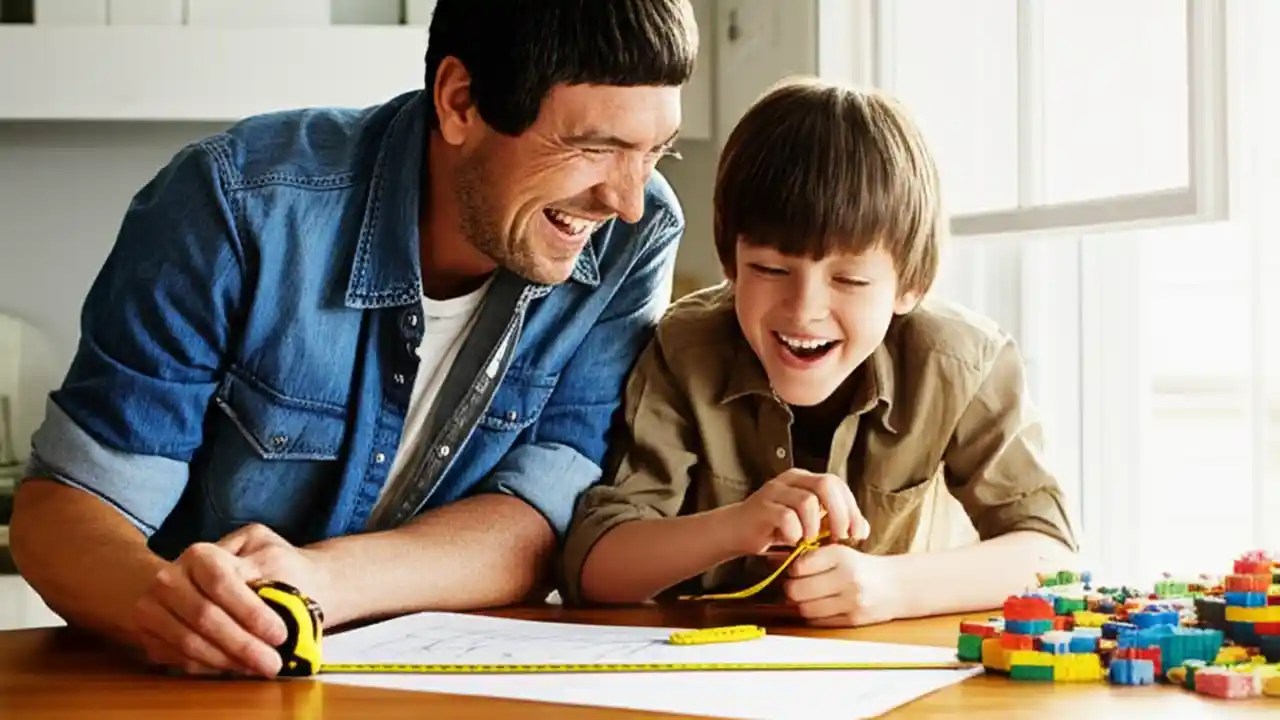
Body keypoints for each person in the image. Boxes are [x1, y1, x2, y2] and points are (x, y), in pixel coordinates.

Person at [10, 0, 696, 677]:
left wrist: (320, 581)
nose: (627, 200)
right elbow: (68, 508)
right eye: (594, 148)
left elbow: (544, 516)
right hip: (191, 685)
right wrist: (158, 605)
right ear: (461, 101)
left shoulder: (637, 236)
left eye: (654, 153)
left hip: (428, 681)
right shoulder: (237, 206)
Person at [562, 79, 1078, 626]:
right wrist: (738, 526)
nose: (803, 309)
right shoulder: (683, 350)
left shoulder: (960, 363)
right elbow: (594, 566)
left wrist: (893, 588)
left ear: (910, 285)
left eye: (851, 280)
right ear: (730, 264)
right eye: (770, 270)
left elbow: (1051, 552)